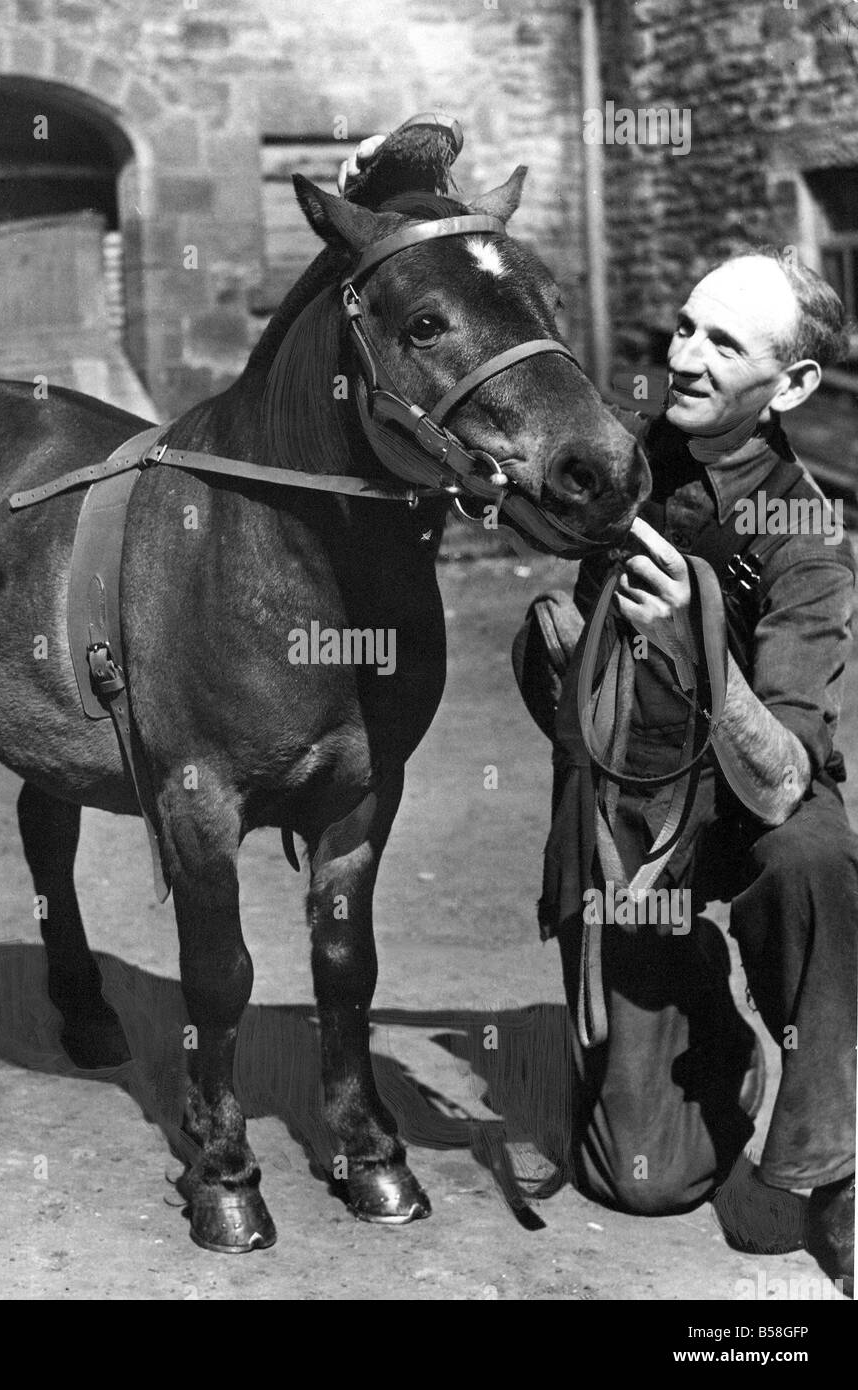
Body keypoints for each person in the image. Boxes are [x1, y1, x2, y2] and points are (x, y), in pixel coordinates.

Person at [341, 133, 856, 1293]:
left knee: (818, 852)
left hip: (743, 807)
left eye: (724, 343)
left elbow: (781, 778)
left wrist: (701, 654)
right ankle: (705, 1032)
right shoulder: (618, 454)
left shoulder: (811, 538)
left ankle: (831, 1158)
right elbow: (450, 399)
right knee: (641, 1177)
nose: (684, 354)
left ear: (795, 386)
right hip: (630, 828)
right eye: (682, 326)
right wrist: (396, 168)